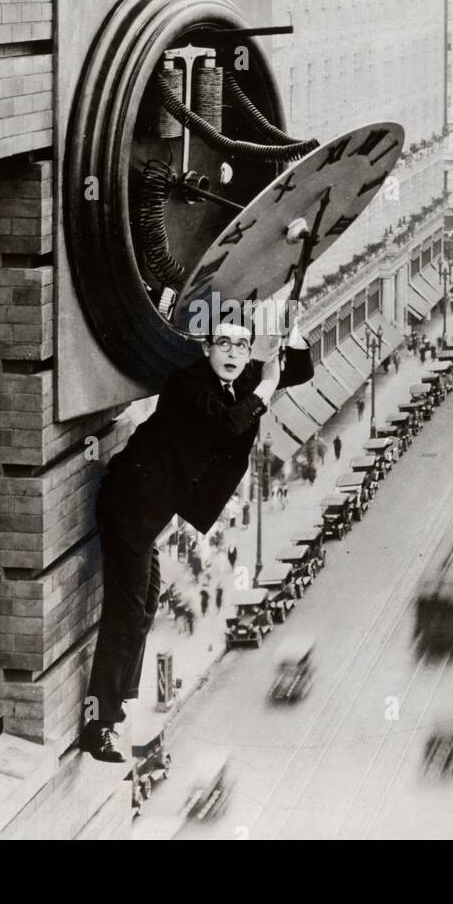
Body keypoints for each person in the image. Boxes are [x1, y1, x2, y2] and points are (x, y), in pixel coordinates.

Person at [78, 318, 313, 762]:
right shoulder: (186, 385)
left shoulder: (240, 375)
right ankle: (99, 724)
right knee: (125, 613)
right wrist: (266, 386)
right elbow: (229, 424)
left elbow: (296, 372)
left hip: (151, 514)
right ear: (206, 349)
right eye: (221, 343)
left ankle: (121, 696)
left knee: (147, 600)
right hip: (129, 504)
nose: (231, 352)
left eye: (240, 346)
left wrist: (295, 337)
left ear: (248, 353)